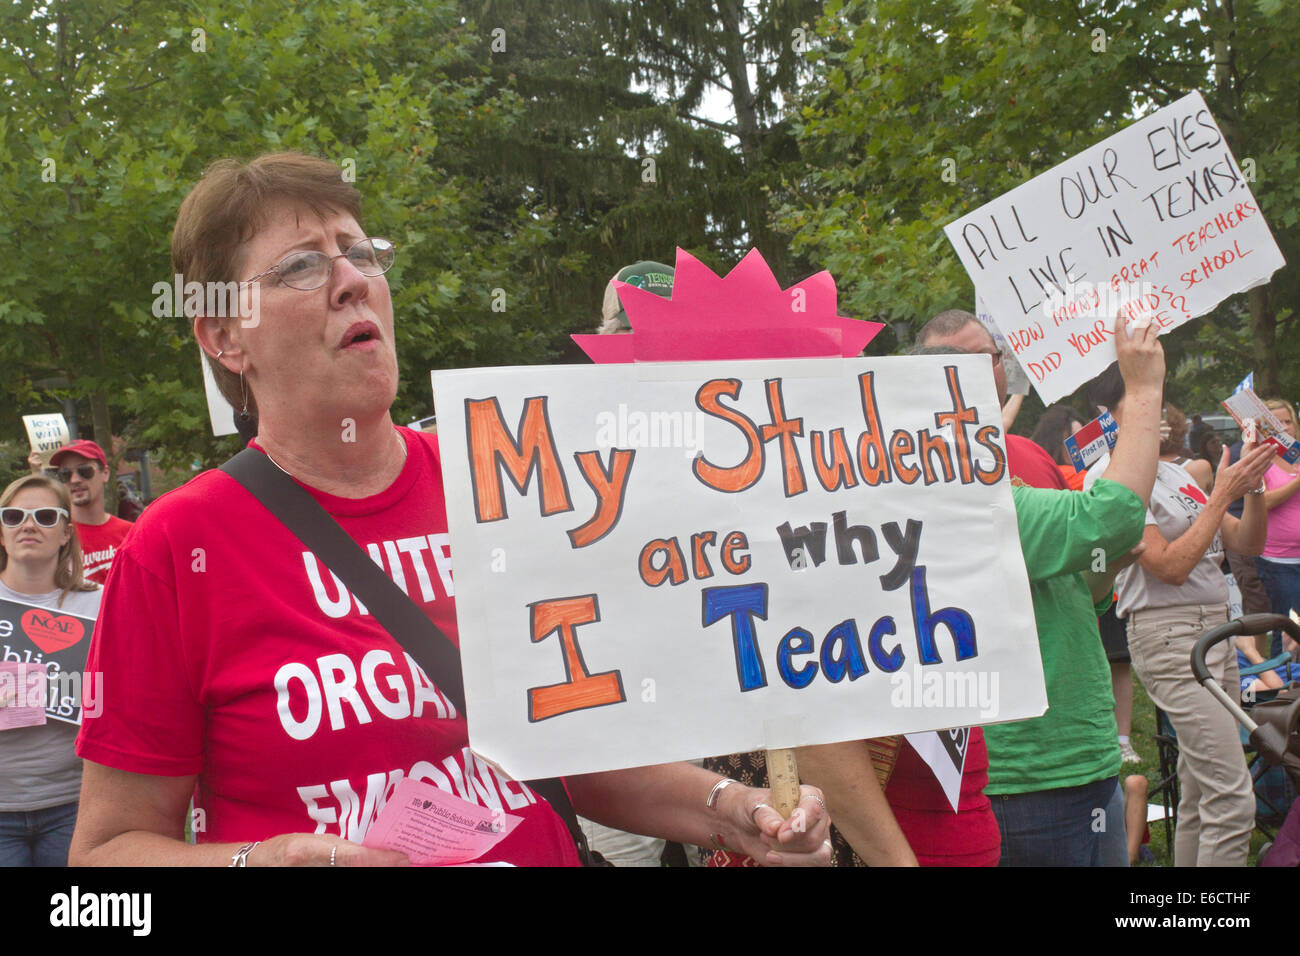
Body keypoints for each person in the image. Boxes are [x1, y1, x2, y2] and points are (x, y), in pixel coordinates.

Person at [70, 153, 831, 867]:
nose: (351, 281)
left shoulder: (506, 479)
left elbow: (579, 760)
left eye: (362, 254)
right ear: (225, 336)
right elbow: (107, 852)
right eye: (302, 265)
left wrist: (732, 808)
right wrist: (253, 861)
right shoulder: (178, 544)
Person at [1084, 364, 1276, 866]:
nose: (1160, 411)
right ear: (1109, 412)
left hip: (1215, 628)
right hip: (1172, 635)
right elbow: (1168, 565)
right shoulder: (1108, 477)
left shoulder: (1171, 471)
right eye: (1144, 397)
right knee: (1233, 798)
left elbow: (1249, 542)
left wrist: (1252, 482)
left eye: (1159, 395)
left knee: (1199, 791)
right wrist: (1221, 496)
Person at [0, 475, 101, 866]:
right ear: (2, 532)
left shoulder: (100, 603)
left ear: (65, 533)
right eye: (14, 516)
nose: (28, 525)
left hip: (76, 804)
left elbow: (128, 696)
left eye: (44, 515)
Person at [916, 310, 1069, 491]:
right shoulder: (905, 474)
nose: (977, 373)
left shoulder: (1034, 455)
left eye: (986, 357)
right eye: (954, 365)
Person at [48, 440, 133, 585]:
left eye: (85, 471)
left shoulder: (132, 533)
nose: (74, 480)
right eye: (65, 474)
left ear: (105, 474)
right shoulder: (54, 536)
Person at [1253, 398, 1300, 659]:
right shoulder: (1262, 459)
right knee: (1287, 628)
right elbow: (1262, 501)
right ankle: (1282, 686)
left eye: (1287, 421)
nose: (1284, 428)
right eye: (1276, 423)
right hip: (1280, 561)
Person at [1029, 403, 1087, 489]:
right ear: (1055, 442)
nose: (1080, 444)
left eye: (1082, 437)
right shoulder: (1068, 475)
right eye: (1073, 439)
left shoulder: (1039, 473)